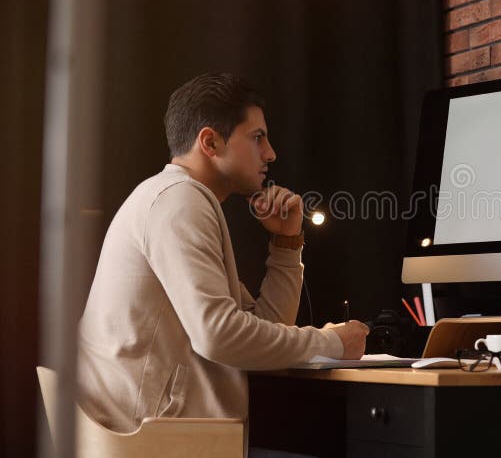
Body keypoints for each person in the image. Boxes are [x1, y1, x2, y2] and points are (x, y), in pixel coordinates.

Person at [77, 72, 369, 438]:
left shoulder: (172, 197)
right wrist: (332, 343)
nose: (270, 154)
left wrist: (286, 245)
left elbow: (262, 333)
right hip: (151, 441)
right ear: (210, 142)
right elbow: (219, 336)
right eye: (257, 138)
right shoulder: (180, 200)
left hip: (143, 432)